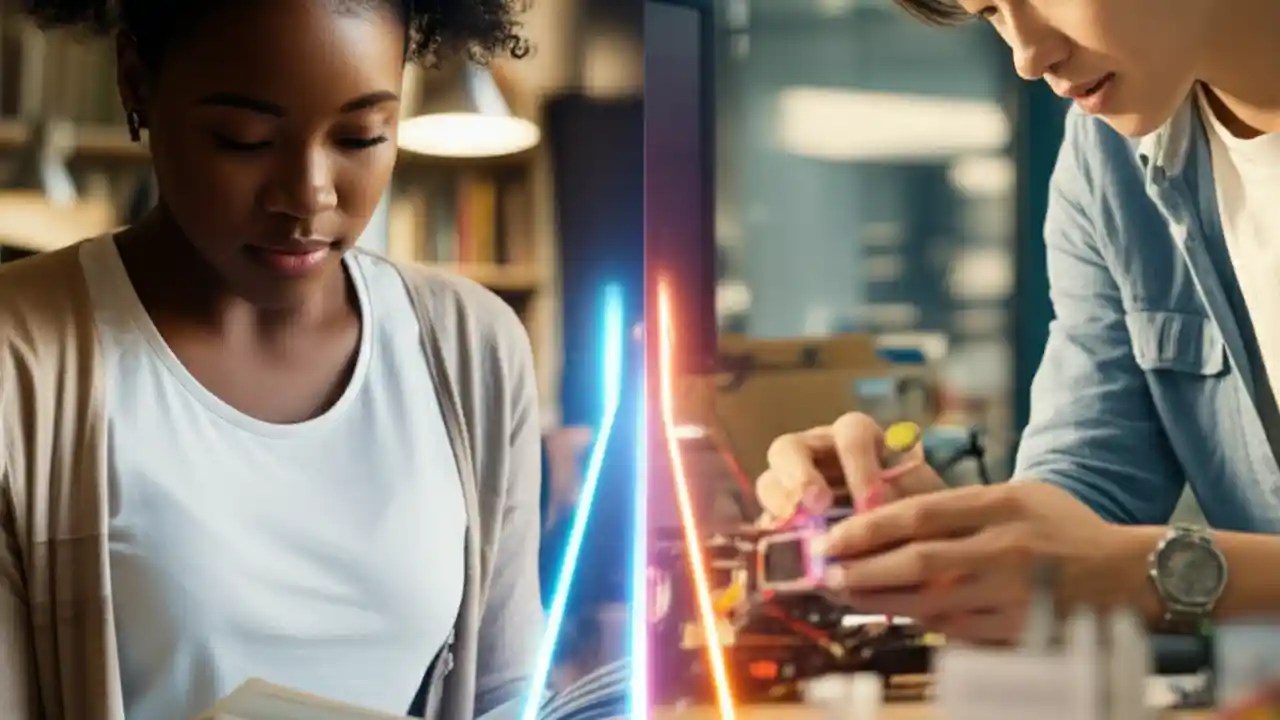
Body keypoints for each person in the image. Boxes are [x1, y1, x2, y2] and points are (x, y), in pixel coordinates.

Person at [0, 1, 543, 719]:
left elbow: (505, 693)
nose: (310, 197)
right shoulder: (21, 359)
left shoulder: (474, 351)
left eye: (361, 136)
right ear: (136, 82)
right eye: (245, 139)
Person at [757, 0, 1280, 645]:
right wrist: (945, 532)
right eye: (992, 15)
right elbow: (1091, 489)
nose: (1029, 57)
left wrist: (1167, 577)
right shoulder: (1106, 163)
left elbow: (1115, 564)